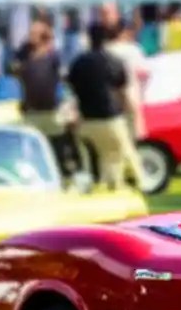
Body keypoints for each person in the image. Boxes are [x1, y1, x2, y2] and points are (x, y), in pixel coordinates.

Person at [67, 23, 136, 190]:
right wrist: (130, 113)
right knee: (121, 153)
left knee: (100, 157)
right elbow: (122, 89)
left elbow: (73, 90)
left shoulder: (78, 63)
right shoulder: (113, 60)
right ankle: (130, 184)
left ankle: (104, 184)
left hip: (88, 119)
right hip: (110, 117)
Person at [14, 20, 74, 183]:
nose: (30, 36)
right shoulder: (24, 54)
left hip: (50, 111)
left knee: (56, 148)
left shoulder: (53, 56)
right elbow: (14, 69)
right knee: (31, 152)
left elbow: (62, 77)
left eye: (34, 33)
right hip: (31, 111)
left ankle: (62, 178)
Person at [106, 21, 149, 187]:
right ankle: (136, 173)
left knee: (116, 140)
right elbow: (144, 73)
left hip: (111, 99)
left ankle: (121, 173)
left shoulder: (106, 50)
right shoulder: (133, 49)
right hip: (131, 94)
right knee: (132, 138)